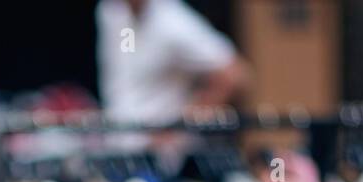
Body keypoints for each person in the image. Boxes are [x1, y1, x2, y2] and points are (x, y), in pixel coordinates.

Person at [96, 0, 250, 123]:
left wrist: (180, 127)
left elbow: (235, 74)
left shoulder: (173, 22)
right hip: (114, 138)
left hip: (152, 149)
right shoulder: (110, 12)